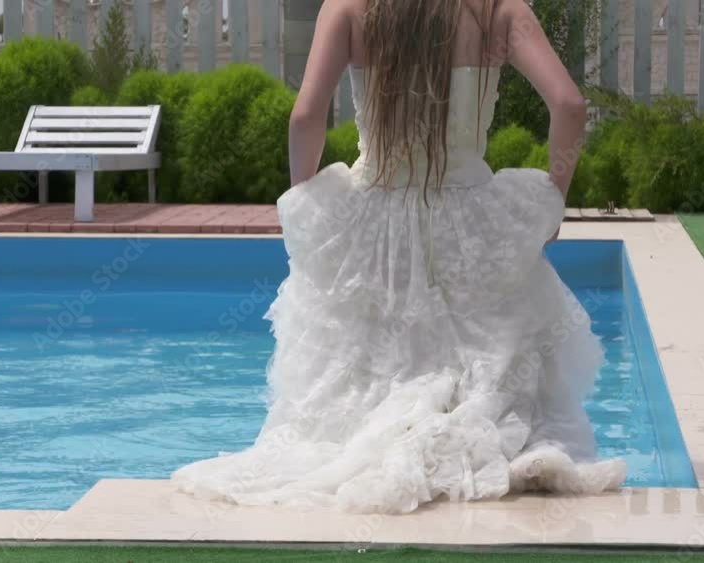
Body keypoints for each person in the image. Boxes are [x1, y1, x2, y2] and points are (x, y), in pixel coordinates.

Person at [173, 0, 627, 514]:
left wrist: (309, 204)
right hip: (473, 217)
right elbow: (569, 105)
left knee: (369, 372)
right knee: (482, 355)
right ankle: (498, 444)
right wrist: (553, 200)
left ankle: (381, 441)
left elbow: (305, 117)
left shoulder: (347, 9)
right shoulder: (498, 10)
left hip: (374, 217)